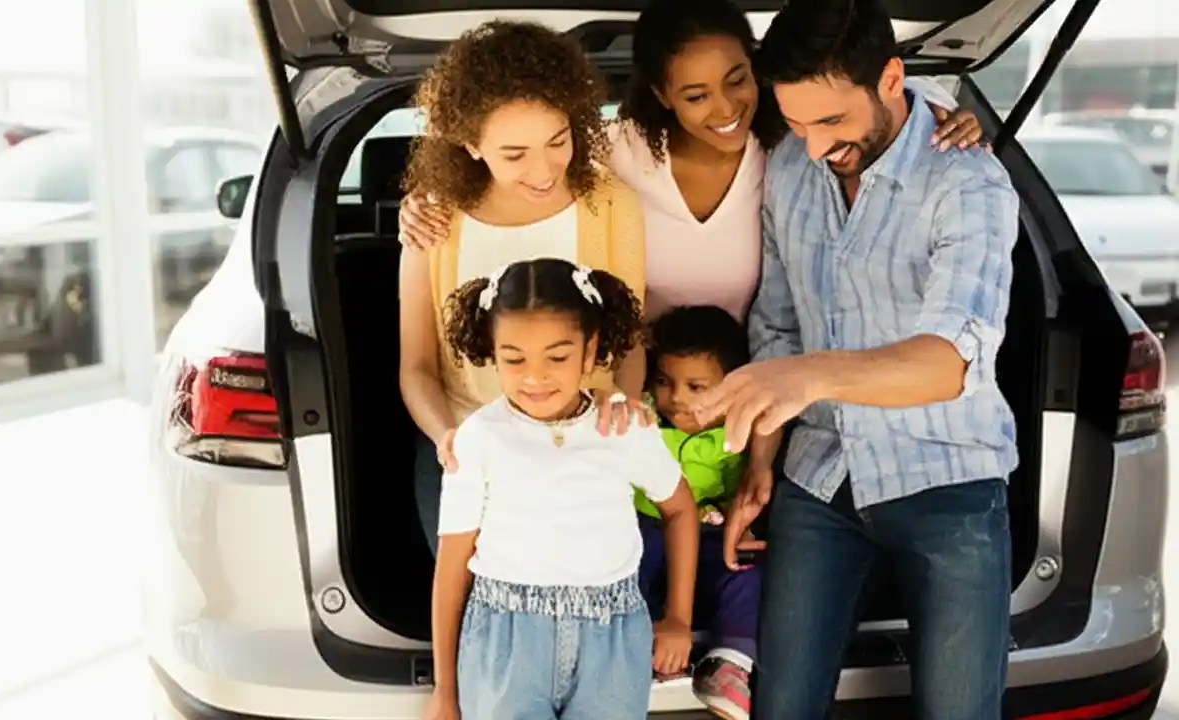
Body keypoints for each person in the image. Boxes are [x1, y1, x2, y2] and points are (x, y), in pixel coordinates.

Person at [698, 0, 1019, 717]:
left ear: (891, 80)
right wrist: (760, 469)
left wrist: (809, 375)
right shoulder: (789, 164)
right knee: (779, 706)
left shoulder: (968, 183)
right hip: (820, 480)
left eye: (832, 123)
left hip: (950, 482)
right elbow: (778, 325)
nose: (813, 146)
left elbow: (951, 361)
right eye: (799, 122)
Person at [398, 0, 985, 326]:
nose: (726, 109)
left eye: (738, 81)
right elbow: (525, 155)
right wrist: (424, 198)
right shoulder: (617, 150)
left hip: (745, 383)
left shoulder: (790, 151)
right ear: (661, 95)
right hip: (626, 390)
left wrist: (939, 110)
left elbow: (868, 105)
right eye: (695, 95)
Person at [398, 21, 650, 551]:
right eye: (515, 154)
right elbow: (417, 368)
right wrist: (450, 438)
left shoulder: (611, 205)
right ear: (469, 143)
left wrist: (620, 404)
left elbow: (627, 342)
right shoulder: (433, 221)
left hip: (582, 455)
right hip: (468, 455)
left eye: (558, 141)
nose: (545, 170)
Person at [423, 258, 700, 720]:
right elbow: (452, 567)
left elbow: (680, 510)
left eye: (557, 356)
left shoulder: (623, 427)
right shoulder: (478, 439)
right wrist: (445, 690)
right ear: (492, 353)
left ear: (590, 352)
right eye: (514, 359)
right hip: (505, 643)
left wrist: (679, 618)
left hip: (612, 642)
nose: (535, 377)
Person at [636, 305, 763, 719]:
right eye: (663, 382)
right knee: (632, 561)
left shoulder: (740, 431)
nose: (677, 399)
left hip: (712, 534)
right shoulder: (644, 420)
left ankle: (730, 664)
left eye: (696, 386)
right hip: (647, 526)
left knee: (744, 571)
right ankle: (637, 648)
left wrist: (741, 526)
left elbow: (743, 494)